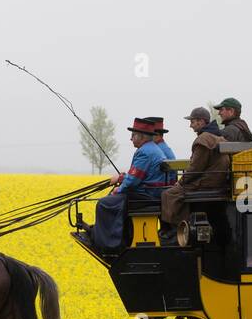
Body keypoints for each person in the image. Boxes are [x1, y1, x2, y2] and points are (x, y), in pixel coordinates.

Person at [79, 118, 168, 252]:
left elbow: (132, 181)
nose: (131, 139)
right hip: (151, 192)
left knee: (104, 203)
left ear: (142, 137)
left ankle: (108, 243)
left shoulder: (144, 152)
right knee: (112, 199)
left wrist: (118, 189)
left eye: (133, 135)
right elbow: (136, 176)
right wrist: (123, 178)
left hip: (146, 194)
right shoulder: (152, 149)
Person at [159, 107, 229, 237]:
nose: (190, 126)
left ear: (201, 122)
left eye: (192, 122)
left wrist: (180, 183)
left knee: (168, 194)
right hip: (217, 181)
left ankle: (176, 231)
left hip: (206, 183)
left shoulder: (203, 140)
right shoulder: (218, 137)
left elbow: (195, 168)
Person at [145, 117, 177, 184]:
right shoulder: (163, 147)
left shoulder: (156, 150)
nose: (146, 137)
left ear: (157, 135)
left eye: (149, 134)